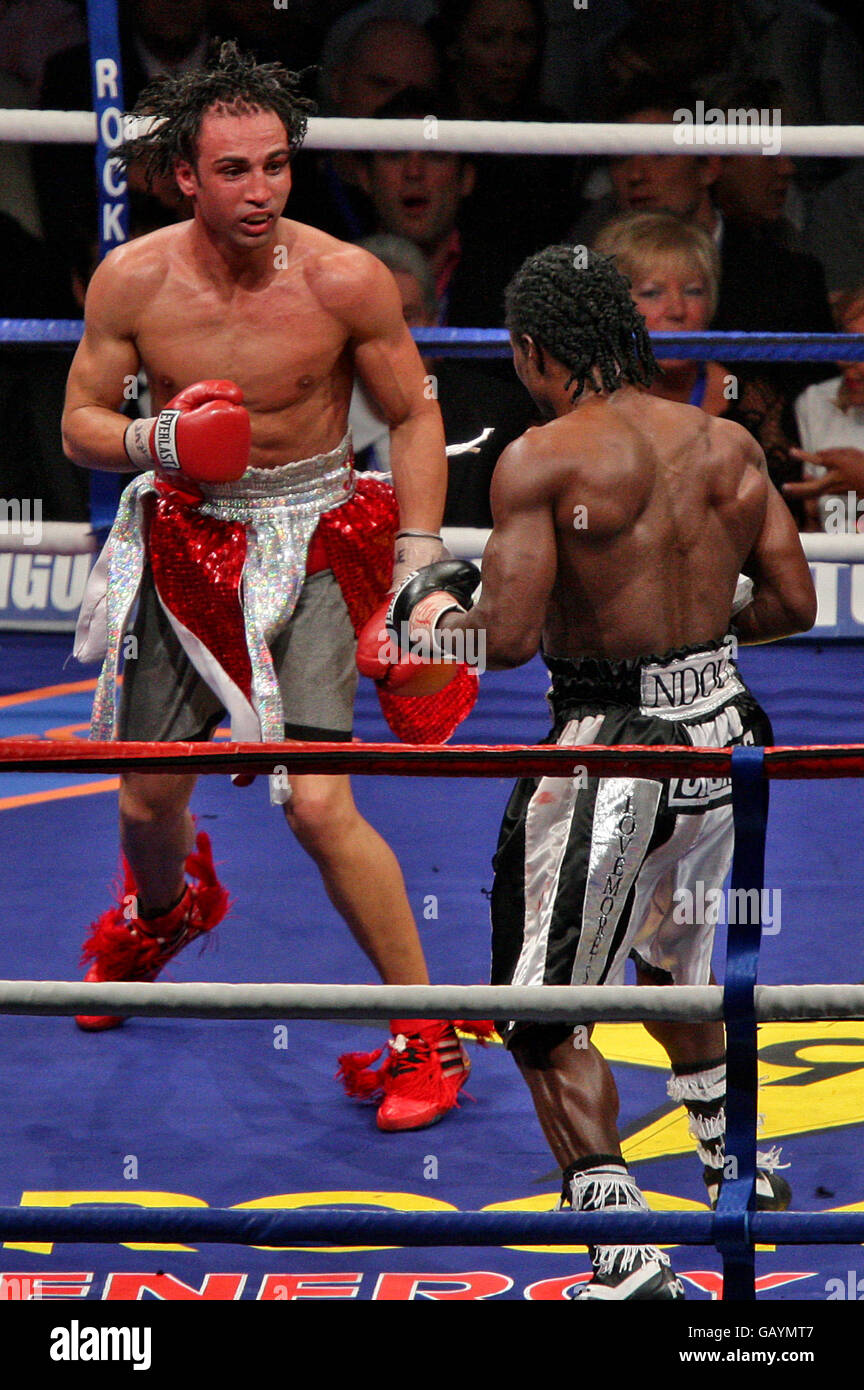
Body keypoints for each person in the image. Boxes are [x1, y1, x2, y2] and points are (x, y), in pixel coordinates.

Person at [65, 40, 483, 1135]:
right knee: (147, 800)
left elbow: (416, 413)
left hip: (313, 543)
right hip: (189, 541)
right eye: (235, 171)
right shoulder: (134, 279)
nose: (261, 191)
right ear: (184, 177)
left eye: (277, 166)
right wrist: (161, 436)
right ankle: (167, 910)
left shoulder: (344, 277)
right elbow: (80, 421)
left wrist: (416, 562)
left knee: (318, 800)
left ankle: (424, 1029)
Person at [385, 245, 816, 1297]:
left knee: (540, 1015)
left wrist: (429, 618)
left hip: (607, 751)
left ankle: (625, 1263)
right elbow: (794, 605)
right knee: (678, 961)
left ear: (534, 350)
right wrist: (690, 632)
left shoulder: (545, 458)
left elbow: (512, 641)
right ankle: (736, 1170)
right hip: (726, 737)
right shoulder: (725, 443)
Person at [595, 210, 728, 414]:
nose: (677, 311)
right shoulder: (580, 397)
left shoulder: (736, 392)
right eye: (652, 293)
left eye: (693, 291)